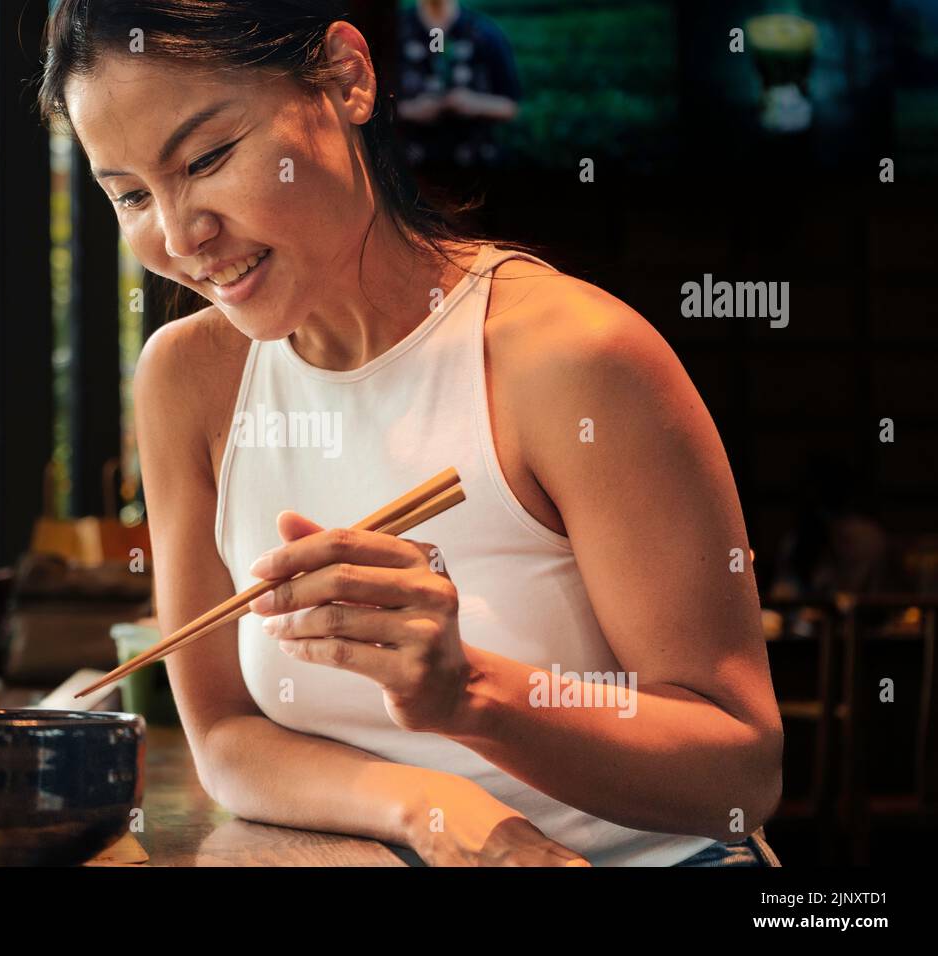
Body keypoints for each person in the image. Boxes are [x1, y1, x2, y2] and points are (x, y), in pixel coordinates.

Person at [38, 0, 783, 866]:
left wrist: (468, 693)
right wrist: (429, 808)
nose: (178, 235)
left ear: (346, 78)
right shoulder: (187, 382)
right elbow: (225, 737)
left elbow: (738, 775)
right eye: (129, 194)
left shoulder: (573, 358)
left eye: (207, 158)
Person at [395, 0, 522, 169]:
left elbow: (511, 106)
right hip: (411, 169)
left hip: (476, 166)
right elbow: (371, 104)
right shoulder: (395, 33)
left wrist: (476, 104)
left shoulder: (485, 33)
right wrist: (408, 110)